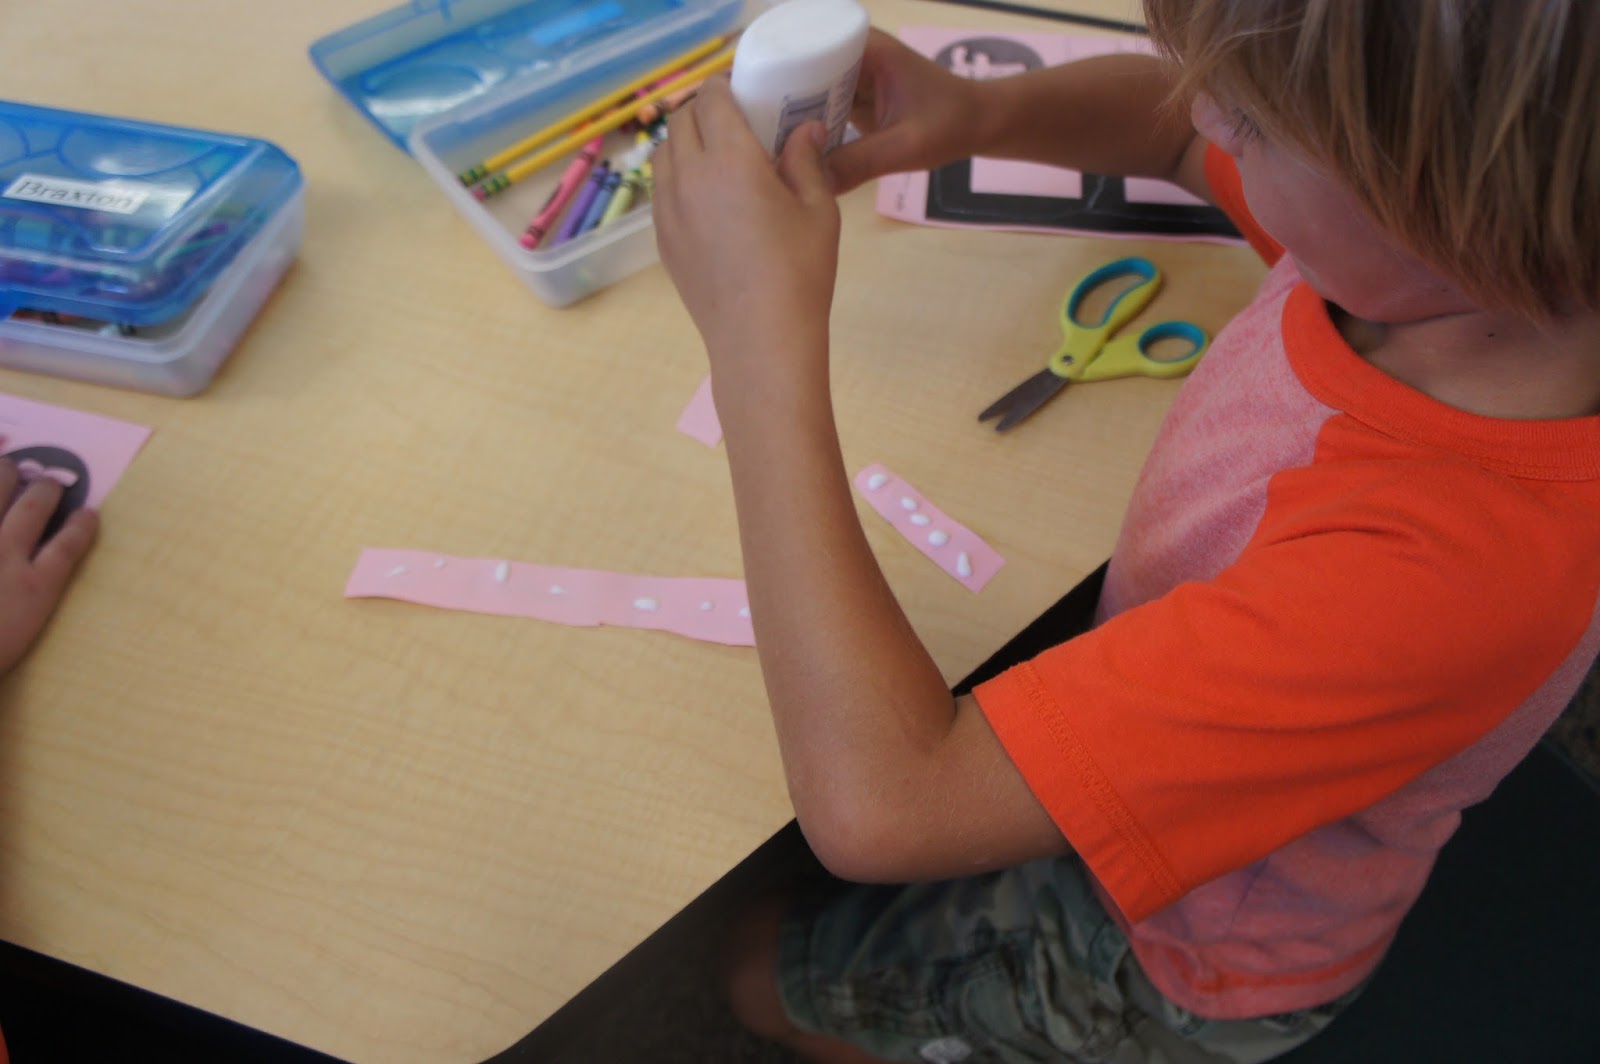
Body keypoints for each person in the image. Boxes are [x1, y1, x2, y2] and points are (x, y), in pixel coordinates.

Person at [650, 1, 1600, 1060]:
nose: (1199, 102)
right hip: (1143, 768)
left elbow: (884, 805)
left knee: (753, 968)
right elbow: (1176, 132)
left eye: (1256, 115)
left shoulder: (1443, 577)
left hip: (1176, 949)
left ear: (1442, 210)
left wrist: (754, 341)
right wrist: (974, 111)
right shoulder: (1440, 281)